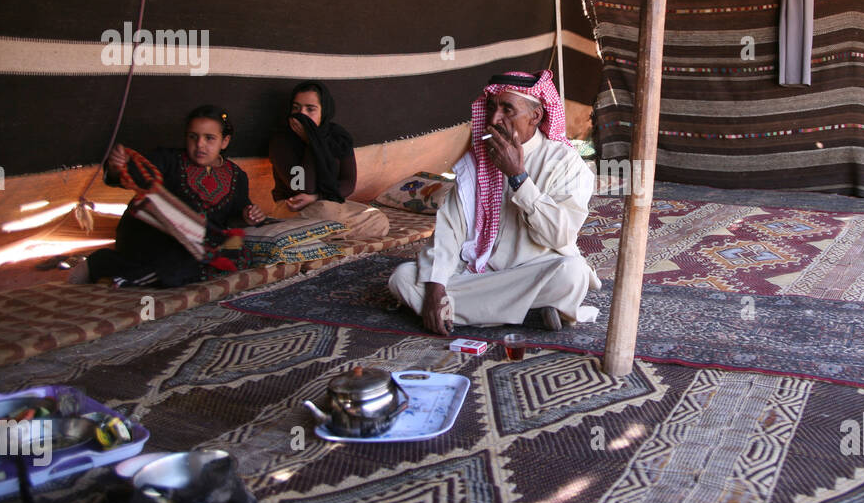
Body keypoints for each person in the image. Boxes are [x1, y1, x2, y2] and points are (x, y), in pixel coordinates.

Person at [388, 69, 600, 334]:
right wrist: (436, 286)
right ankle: (529, 312)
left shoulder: (565, 163)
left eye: (507, 110)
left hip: (534, 271)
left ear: (536, 115)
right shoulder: (478, 158)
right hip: (478, 270)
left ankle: (462, 309)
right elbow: (450, 229)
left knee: (572, 273)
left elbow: (559, 236)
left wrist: (518, 177)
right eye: (491, 108)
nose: (494, 118)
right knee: (402, 277)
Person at [70, 105, 265, 288]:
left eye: (209, 138)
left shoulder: (237, 176)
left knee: (238, 254)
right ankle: (104, 265)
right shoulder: (167, 160)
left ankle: (128, 272)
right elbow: (136, 175)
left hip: (198, 242)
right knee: (179, 263)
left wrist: (248, 215)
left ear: (225, 141)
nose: (200, 145)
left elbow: (235, 214)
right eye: (193, 137)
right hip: (151, 236)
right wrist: (118, 167)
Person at [268, 80, 389, 240]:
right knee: (325, 212)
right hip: (293, 207)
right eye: (296, 108)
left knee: (377, 219)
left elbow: (348, 183)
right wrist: (312, 143)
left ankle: (317, 235)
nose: (301, 114)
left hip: (327, 203)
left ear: (324, 112)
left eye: (310, 109)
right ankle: (326, 232)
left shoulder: (337, 137)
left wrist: (317, 197)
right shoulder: (282, 142)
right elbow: (304, 187)